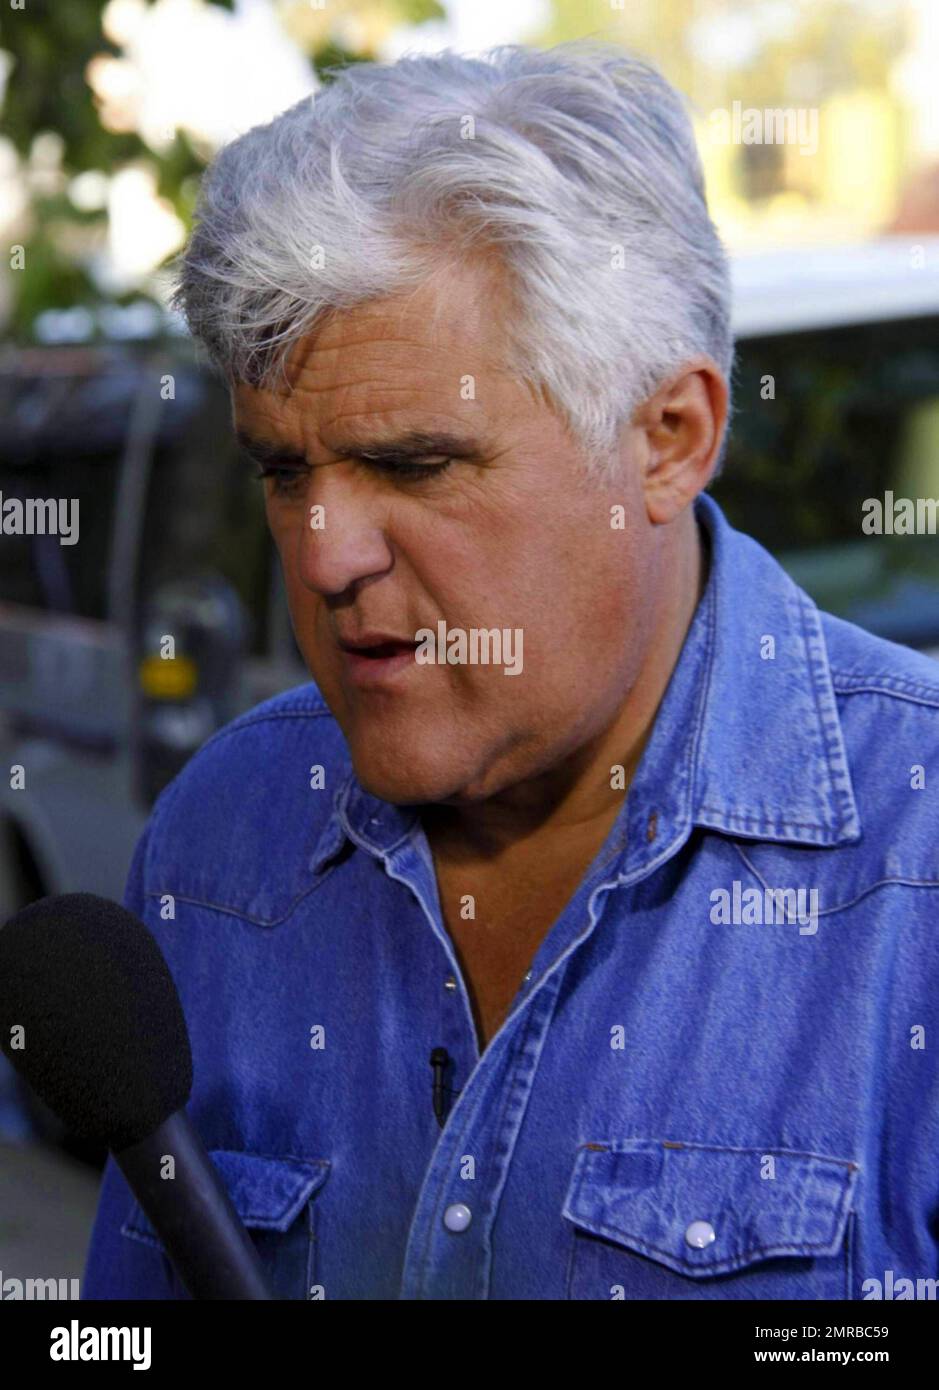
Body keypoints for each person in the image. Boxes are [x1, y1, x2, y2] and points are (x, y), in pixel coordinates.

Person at [82, 41, 939, 1301]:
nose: (321, 557)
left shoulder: (914, 867)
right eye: (282, 472)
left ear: (668, 439)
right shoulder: (217, 845)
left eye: (417, 465)